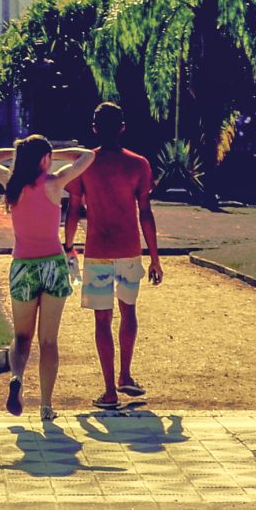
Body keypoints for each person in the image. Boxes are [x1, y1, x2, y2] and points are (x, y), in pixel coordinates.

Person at [0, 135, 96, 423]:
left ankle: (17, 378)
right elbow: (88, 155)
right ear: (45, 158)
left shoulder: (11, 182)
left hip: (23, 266)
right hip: (53, 265)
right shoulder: (54, 182)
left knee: (22, 337)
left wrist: (18, 153)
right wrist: (55, 152)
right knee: (48, 341)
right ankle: (45, 406)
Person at [62, 102, 162, 410]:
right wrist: (155, 258)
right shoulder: (139, 164)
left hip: (98, 252)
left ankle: (109, 391)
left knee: (102, 320)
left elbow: (74, 210)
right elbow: (146, 213)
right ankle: (125, 375)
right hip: (129, 249)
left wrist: (68, 245)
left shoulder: (85, 164)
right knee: (128, 312)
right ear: (122, 128)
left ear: (94, 128)